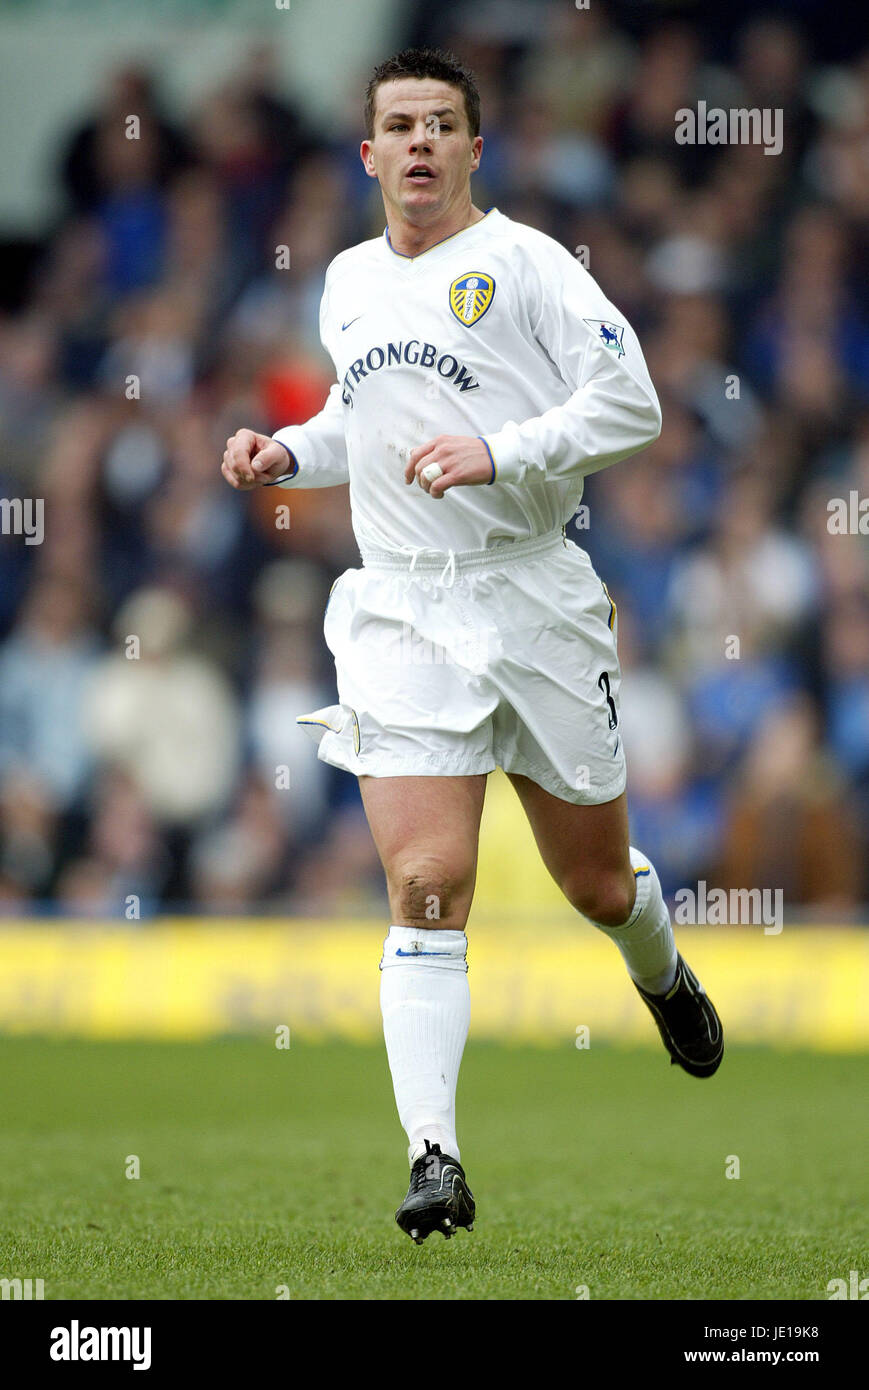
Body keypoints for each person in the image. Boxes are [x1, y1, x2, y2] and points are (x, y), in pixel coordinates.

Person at [221, 47, 723, 1246]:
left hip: (532, 599)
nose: (419, 145)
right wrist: (291, 450)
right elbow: (360, 417)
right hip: (401, 608)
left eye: (441, 125)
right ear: (368, 152)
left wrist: (498, 454)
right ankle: (433, 1156)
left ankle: (660, 974)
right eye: (398, 125)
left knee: (596, 884)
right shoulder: (342, 281)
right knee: (426, 883)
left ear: (473, 149)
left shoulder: (526, 264)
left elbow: (631, 402)